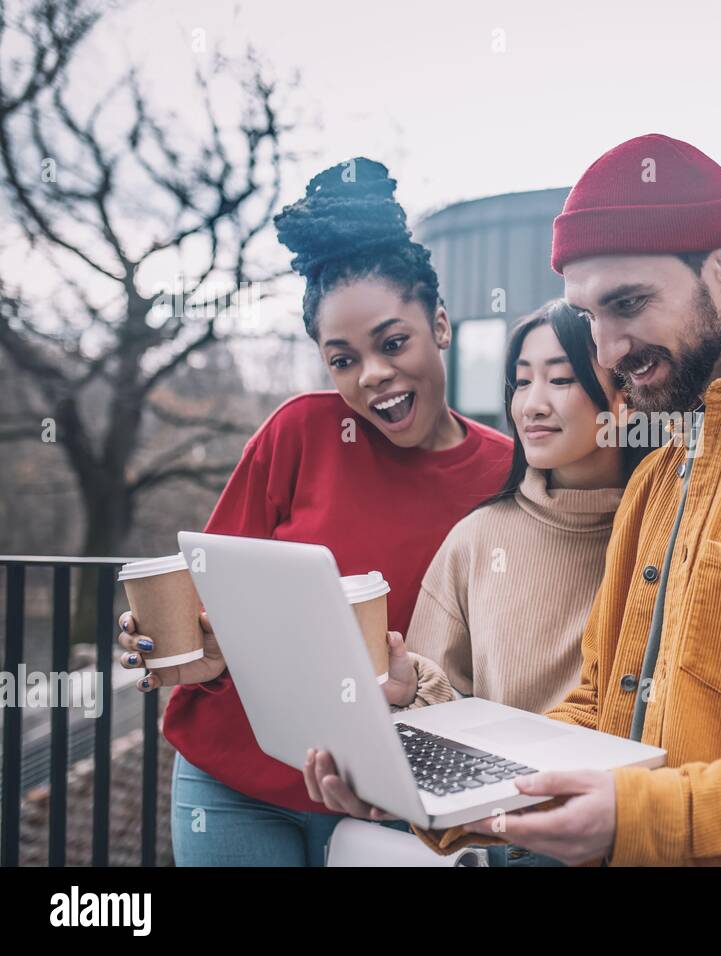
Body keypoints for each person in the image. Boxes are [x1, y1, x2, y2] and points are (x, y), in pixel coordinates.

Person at [308, 133, 721, 867]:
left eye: (628, 303)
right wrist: (433, 786)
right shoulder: (663, 470)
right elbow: (600, 709)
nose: (608, 348)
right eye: (590, 315)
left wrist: (643, 816)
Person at [116, 157, 513, 866]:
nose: (374, 376)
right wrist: (186, 652)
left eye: (393, 343)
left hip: (394, 801)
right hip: (233, 784)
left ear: (442, 325)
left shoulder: (507, 473)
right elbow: (211, 592)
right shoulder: (299, 433)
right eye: (343, 359)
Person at [305, 299, 653, 866]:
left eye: (561, 379)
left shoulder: (670, 531)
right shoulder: (477, 538)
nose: (531, 404)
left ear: (625, 398)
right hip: (511, 837)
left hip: (638, 829)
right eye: (520, 382)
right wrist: (402, 696)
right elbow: (433, 707)